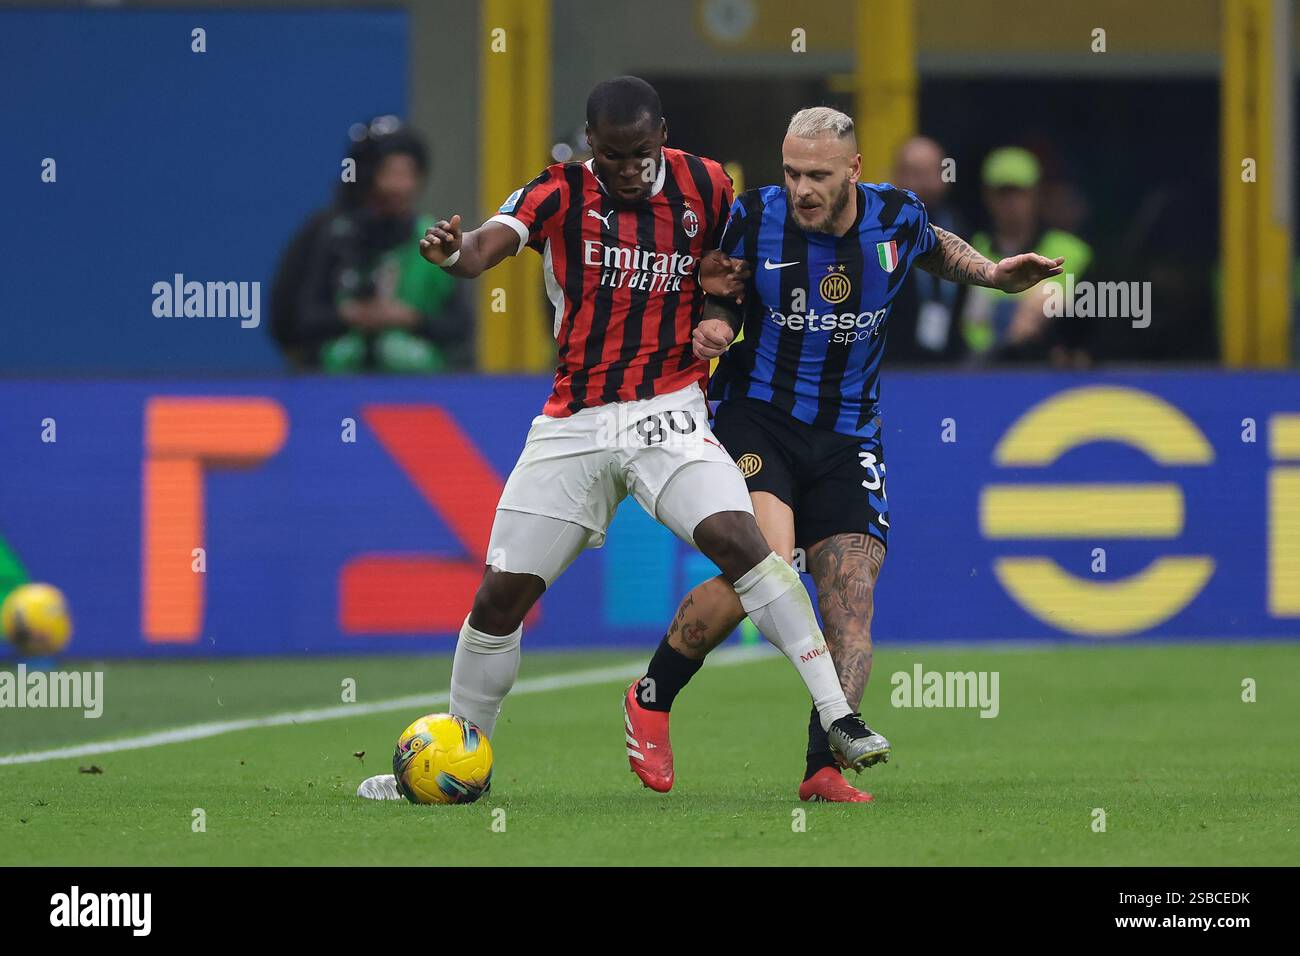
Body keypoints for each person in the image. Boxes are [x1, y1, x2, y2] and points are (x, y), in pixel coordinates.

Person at [356, 78, 886, 801]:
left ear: (661, 135)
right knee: (499, 598)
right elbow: (485, 248)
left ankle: (838, 717)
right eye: (611, 157)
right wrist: (453, 254)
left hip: (668, 412)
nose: (629, 170)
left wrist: (720, 305)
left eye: (640, 154)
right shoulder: (558, 191)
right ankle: (459, 760)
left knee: (743, 540)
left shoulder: (706, 184)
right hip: (574, 421)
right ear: (589, 144)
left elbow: (735, 272)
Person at [624, 107, 1065, 802]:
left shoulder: (894, 215)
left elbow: (934, 243)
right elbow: (722, 288)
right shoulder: (752, 216)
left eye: (818, 175)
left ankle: (820, 766)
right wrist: (715, 322)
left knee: (851, 596)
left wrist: (993, 274)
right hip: (758, 419)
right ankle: (652, 694)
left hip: (850, 433)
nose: (801, 187)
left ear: (853, 171)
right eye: (792, 171)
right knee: (764, 567)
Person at [269, 118, 472, 373]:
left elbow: (460, 326)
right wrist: (350, 316)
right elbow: (290, 322)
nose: (397, 186)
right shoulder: (327, 234)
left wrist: (408, 318)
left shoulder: (434, 236)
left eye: (407, 173)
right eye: (386, 172)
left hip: (420, 392)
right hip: (333, 386)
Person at [963, 146, 1092, 365]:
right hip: (976, 368)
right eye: (1003, 193)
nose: (1011, 203)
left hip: (1042, 370)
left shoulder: (1070, 250)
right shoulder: (968, 247)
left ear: (1036, 194)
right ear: (987, 196)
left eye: (1020, 192)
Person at [886, 135, 969, 363]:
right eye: (915, 172)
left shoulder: (957, 225)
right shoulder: (880, 229)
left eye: (931, 172)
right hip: (893, 363)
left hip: (952, 360)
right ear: (898, 176)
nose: (924, 182)